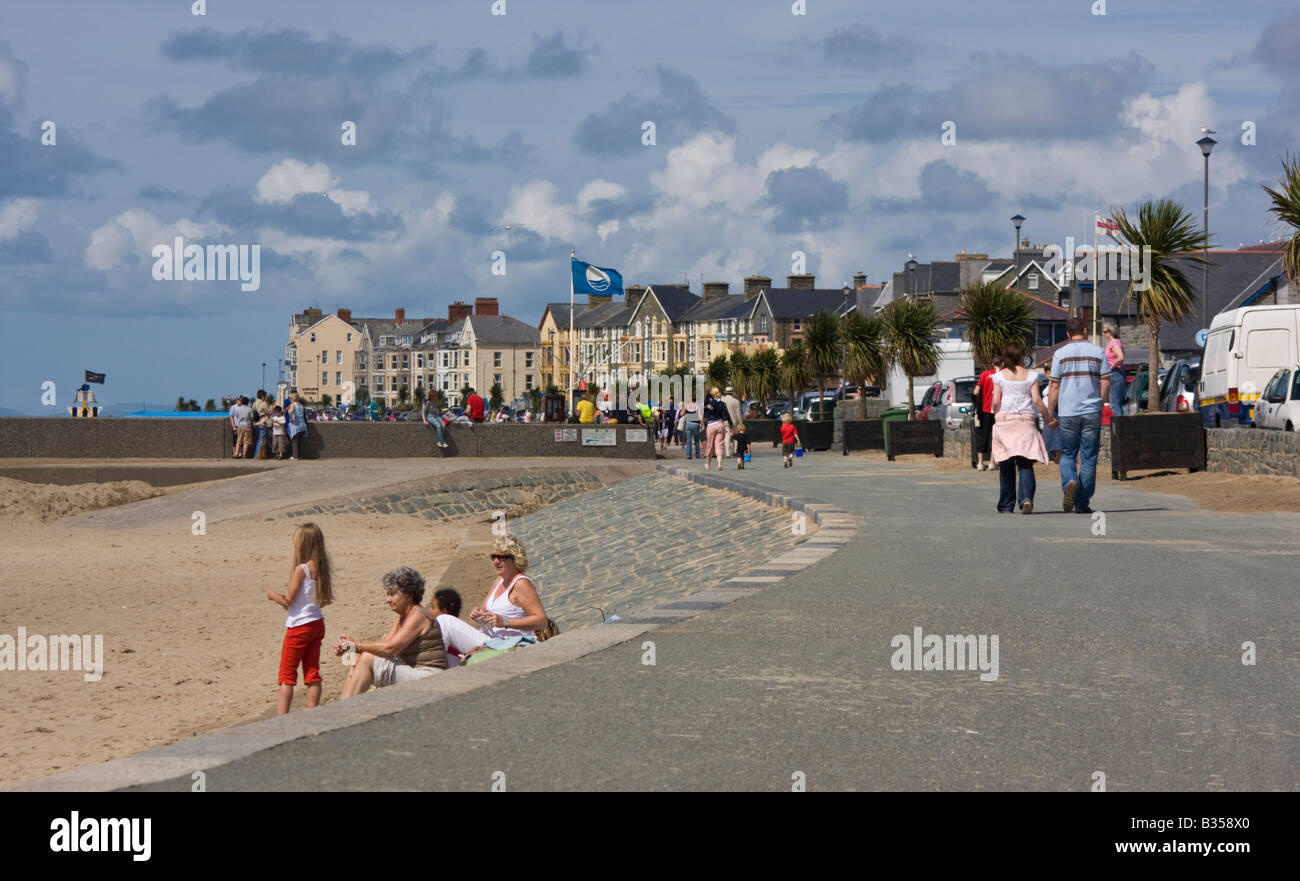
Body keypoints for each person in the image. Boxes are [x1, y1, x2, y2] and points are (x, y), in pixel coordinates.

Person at [335, 566, 448, 697]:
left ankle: (346, 710)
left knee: (366, 657)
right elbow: (383, 647)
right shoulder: (402, 617)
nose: (388, 600)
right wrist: (351, 647)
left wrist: (357, 646)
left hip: (430, 676)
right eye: (387, 594)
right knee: (361, 655)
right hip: (415, 673)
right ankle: (342, 705)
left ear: (409, 595)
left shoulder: (418, 616)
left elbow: (390, 649)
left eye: (392, 594)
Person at [265, 523, 333, 714]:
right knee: (312, 673)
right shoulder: (322, 568)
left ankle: (283, 719)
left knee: (287, 676)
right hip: (317, 623)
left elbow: (288, 601)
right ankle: (312, 712)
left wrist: (272, 595)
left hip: (299, 626)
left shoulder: (301, 569)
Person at [1048, 316, 1110, 514]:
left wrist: (1050, 412)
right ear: (1085, 330)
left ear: (1067, 334)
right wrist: (1100, 402)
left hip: (1067, 412)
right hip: (1091, 411)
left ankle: (1070, 481)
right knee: (1089, 457)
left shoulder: (1059, 354)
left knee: (1067, 454)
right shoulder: (1098, 352)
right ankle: (1082, 503)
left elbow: (1055, 385)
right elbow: (1106, 382)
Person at [991, 341, 1055, 514]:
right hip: (1025, 421)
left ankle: (1006, 505)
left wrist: (996, 414)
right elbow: (1036, 400)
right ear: (1021, 356)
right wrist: (1048, 418)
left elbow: (996, 400)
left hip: (1005, 421)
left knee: (1006, 463)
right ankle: (1026, 499)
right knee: (1025, 463)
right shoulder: (1031, 375)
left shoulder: (999, 376)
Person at [973, 356, 1003, 471]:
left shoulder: (984, 375)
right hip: (999, 410)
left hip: (985, 410)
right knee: (996, 437)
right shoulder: (1004, 375)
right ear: (1002, 363)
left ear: (993, 363)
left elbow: (976, 392)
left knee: (983, 435)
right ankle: (992, 462)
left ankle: (980, 463)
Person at [702, 386, 732, 470]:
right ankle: (719, 464)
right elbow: (726, 416)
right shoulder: (722, 404)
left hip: (711, 424)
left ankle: (708, 464)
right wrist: (731, 425)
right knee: (719, 445)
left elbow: (705, 414)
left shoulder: (710, 404)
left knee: (710, 445)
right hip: (720, 424)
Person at [1103, 326, 1126, 417]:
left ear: (1110, 332)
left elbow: (1120, 357)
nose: (1104, 334)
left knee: (1114, 405)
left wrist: (1111, 367)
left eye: (1105, 332)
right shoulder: (1115, 343)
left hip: (1115, 373)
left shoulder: (1114, 343)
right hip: (1116, 374)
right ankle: (1122, 427)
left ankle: (1120, 428)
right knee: (1117, 404)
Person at [1040, 365, 1061, 464]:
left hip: (1053, 412)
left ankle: (1056, 457)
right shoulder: (1048, 383)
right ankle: (1048, 456)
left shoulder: (1056, 383)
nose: (1048, 374)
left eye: (1050, 372)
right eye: (1047, 372)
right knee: (1047, 434)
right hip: (1047, 413)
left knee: (1054, 435)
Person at [285, 391, 308, 460]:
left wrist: (291, 418)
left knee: (294, 441)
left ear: (292, 398)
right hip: (303, 425)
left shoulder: (293, 405)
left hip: (296, 426)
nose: (289, 399)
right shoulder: (301, 405)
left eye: (290, 398)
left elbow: (291, 411)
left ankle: (295, 456)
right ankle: (300, 456)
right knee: (299, 442)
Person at [721, 386, 743, 455]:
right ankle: (735, 451)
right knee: (735, 436)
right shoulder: (736, 401)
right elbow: (738, 413)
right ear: (732, 393)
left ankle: (727, 453)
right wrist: (741, 422)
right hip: (734, 420)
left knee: (727, 436)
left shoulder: (722, 400)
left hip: (725, 421)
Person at [252, 390, 273, 459]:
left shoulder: (254, 403)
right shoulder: (264, 403)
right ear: (263, 396)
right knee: (262, 440)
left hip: (255, 423)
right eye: (265, 396)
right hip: (262, 422)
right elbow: (269, 412)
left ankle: (256, 455)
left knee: (258, 440)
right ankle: (258, 456)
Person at [681, 395, 702, 459]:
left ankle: (689, 455)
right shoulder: (698, 405)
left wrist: (684, 409)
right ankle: (697, 454)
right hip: (696, 424)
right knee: (697, 440)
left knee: (688, 440)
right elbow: (700, 416)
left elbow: (681, 414)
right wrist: (702, 424)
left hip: (688, 424)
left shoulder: (687, 405)